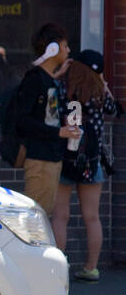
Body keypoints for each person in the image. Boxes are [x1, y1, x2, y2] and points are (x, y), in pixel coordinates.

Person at [51, 49, 117, 281]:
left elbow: (51, 112)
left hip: (66, 159)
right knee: (92, 217)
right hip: (91, 161)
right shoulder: (99, 94)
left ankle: (58, 269)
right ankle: (91, 268)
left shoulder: (63, 89)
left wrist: (59, 74)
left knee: (60, 216)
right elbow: (114, 110)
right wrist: (102, 82)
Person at [13, 23, 80, 216]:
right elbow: (23, 120)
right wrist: (60, 132)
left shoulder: (49, 80)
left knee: (44, 213)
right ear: (53, 48)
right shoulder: (34, 79)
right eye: (65, 45)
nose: (68, 50)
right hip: (40, 159)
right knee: (35, 215)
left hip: (52, 157)